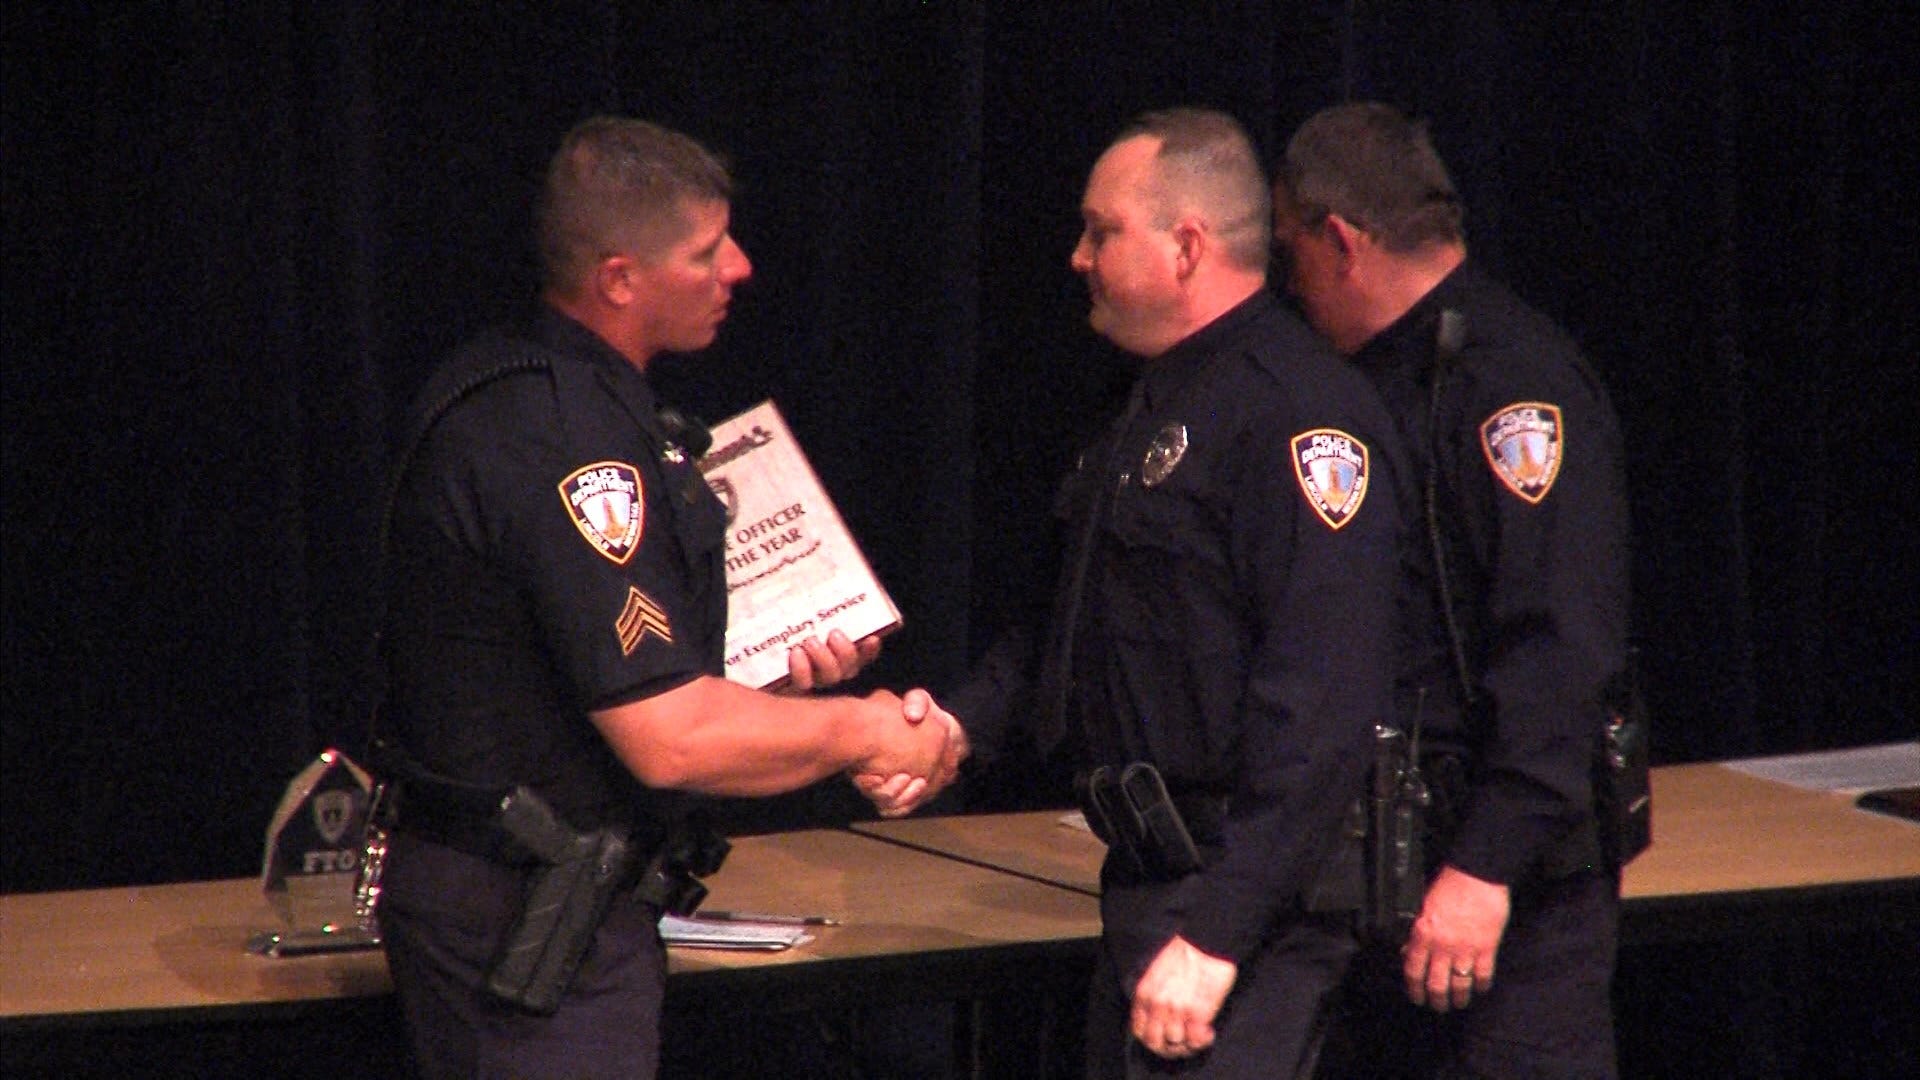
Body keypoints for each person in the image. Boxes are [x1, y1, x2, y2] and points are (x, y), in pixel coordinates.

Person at [373, 115, 965, 1080]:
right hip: (523, 927)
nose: (739, 268)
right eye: (705, 251)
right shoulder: (568, 440)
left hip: (549, 904)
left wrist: (776, 684)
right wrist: (864, 732)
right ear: (619, 279)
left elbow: (595, 679)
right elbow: (669, 736)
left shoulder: (562, 396)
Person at [880, 107, 1404, 1079]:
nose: (1077, 256)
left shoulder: (1298, 414)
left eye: (1100, 230)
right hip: (1148, 882)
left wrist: (1217, 937)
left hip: (1250, 909)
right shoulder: (1145, 403)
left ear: (1187, 245)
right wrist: (954, 727)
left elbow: (1322, 708)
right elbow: (1064, 625)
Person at [1272, 102, 1632, 1080]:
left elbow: (1561, 650)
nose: (1287, 288)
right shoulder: (1372, 378)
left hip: (1502, 899)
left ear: (1339, 242)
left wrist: (1484, 868)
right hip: (1385, 879)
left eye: (1290, 255)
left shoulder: (1513, 389)